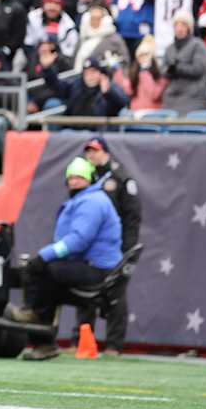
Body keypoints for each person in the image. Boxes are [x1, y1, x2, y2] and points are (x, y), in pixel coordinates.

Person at [5, 157, 122, 361]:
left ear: (90, 179)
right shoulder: (86, 199)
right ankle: (44, 341)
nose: (74, 181)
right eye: (71, 177)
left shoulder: (92, 202)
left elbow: (79, 240)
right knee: (48, 285)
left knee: (42, 271)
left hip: (97, 269)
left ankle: (34, 317)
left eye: (80, 177)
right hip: (91, 266)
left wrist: (44, 256)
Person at [76, 137, 142, 356]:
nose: (91, 155)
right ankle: (82, 340)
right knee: (85, 292)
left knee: (116, 294)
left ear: (105, 152)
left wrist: (128, 250)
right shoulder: (87, 176)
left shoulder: (120, 177)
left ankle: (114, 345)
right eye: (88, 151)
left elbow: (132, 217)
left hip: (115, 247)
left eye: (95, 151)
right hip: (92, 246)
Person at [40, 53, 128, 118]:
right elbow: (56, 86)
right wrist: (48, 69)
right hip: (73, 131)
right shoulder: (76, 86)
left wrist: (108, 92)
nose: (90, 76)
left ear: (100, 73)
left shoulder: (109, 88)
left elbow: (122, 103)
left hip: (97, 133)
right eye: (87, 73)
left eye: (93, 72)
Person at [162, 13, 206, 114]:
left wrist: (178, 68)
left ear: (189, 28)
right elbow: (163, 70)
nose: (179, 29)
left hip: (193, 97)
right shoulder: (169, 48)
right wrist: (169, 70)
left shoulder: (198, 45)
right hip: (171, 97)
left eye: (183, 25)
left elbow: (199, 69)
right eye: (177, 25)